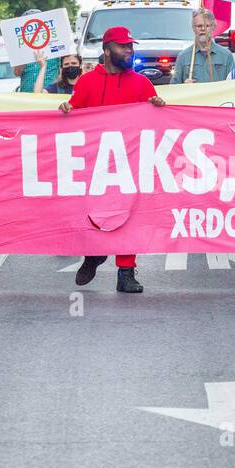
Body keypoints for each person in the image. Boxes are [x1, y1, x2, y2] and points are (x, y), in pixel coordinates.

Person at [59, 26, 166, 293]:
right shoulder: (87, 82)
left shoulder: (142, 83)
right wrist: (66, 110)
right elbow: (75, 116)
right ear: (107, 50)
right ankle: (94, 253)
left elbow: (156, 122)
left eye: (131, 46)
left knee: (131, 215)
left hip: (130, 164)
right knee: (90, 211)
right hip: (95, 163)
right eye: (123, 46)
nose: (129, 50)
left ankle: (126, 272)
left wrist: (159, 107)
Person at [172, 8, 235, 83]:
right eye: (199, 26)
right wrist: (184, 87)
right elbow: (174, 86)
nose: (203, 29)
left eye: (207, 26)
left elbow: (233, 85)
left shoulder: (226, 55)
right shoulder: (183, 56)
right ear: (193, 28)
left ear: (213, 27)